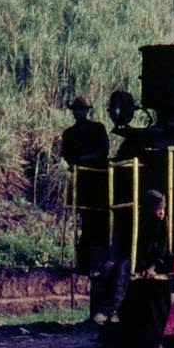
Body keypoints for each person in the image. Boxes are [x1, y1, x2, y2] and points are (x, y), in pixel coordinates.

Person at [94, 189, 169, 325]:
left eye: (163, 208)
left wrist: (152, 267)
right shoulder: (136, 218)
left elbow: (162, 248)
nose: (162, 212)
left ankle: (108, 311)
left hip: (149, 260)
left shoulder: (164, 222)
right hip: (135, 256)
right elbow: (119, 237)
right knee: (110, 271)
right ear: (150, 208)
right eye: (158, 209)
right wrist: (112, 259)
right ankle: (112, 311)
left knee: (123, 267)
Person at [62, 97, 109, 277]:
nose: (78, 112)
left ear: (86, 111)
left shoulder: (98, 128)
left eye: (81, 109)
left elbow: (103, 152)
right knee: (87, 221)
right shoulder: (69, 133)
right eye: (76, 109)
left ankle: (95, 263)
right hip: (83, 183)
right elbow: (67, 156)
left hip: (100, 181)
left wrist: (82, 159)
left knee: (100, 221)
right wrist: (80, 161)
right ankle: (86, 263)